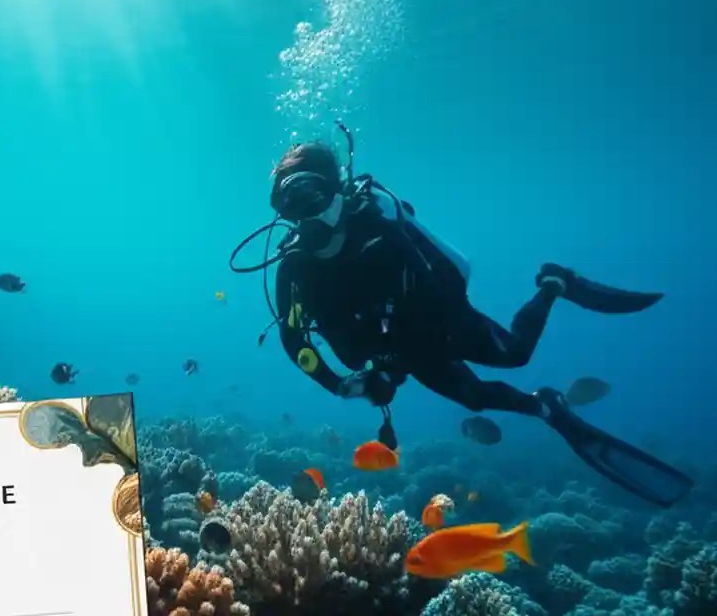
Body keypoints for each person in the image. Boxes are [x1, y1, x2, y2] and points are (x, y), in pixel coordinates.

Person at [230, 126, 693, 507]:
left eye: (310, 196)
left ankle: (554, 282)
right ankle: (545, 406)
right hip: (393, 351)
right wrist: (342, 385)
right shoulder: (294, 267)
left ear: (336, 190)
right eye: (288, 206)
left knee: (514, 353)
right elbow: (295, 343)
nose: (302, 216)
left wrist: (423, 340)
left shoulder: (380, 227)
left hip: (437, 322)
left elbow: (449, 280)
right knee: (473, 397)